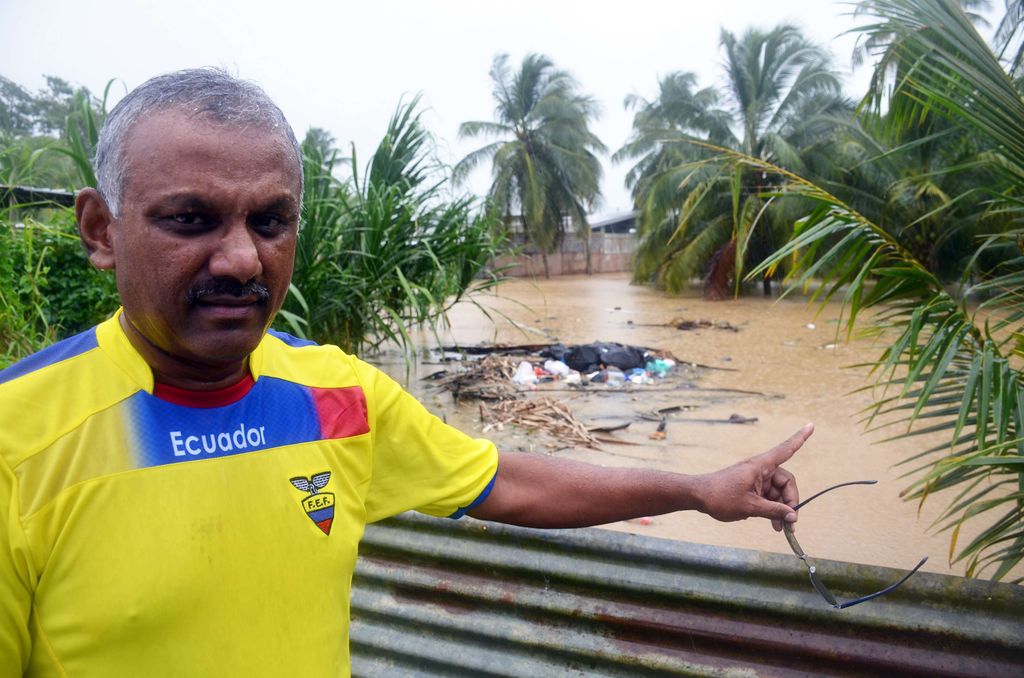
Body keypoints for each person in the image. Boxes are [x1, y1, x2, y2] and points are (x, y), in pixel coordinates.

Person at [0, 69, 812, 677]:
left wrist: (698, 490)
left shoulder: (337, 398)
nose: (243, 257)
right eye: (191, 219)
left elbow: (509, 482)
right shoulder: (19, 438)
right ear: (100, 230)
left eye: (272, 220)